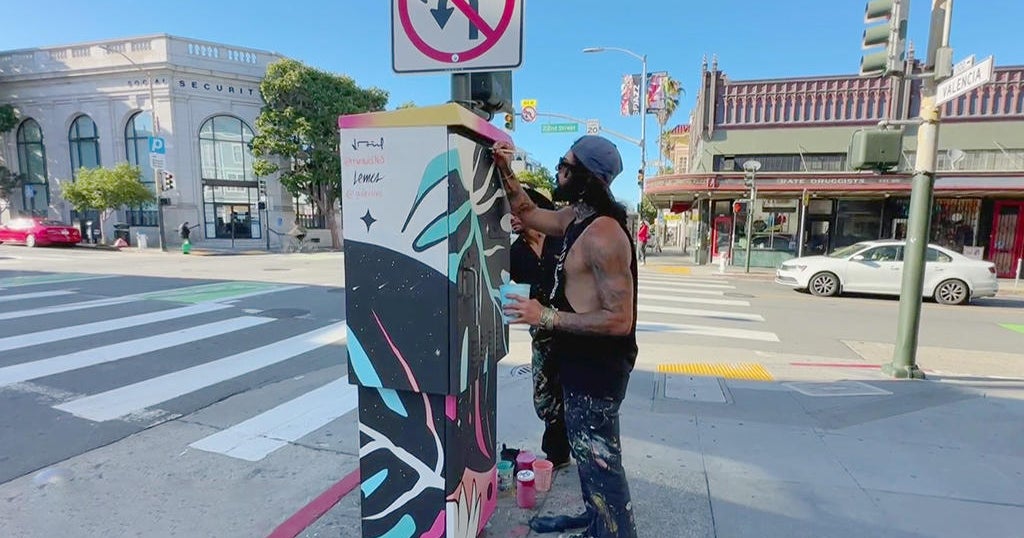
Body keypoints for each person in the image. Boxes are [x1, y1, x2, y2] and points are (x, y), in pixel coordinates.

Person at [494, 135, 639, 538]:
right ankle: (593, 518)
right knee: (587, 456)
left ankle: (610, 530)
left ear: (587, 176)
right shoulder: (575, 217)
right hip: (577, 364)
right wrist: (505, 168)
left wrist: (546, 316)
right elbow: (526, 210)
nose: (559, 169)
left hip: (598, 371)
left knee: (602, 464)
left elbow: (618, 320)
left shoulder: (604, 234)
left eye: (566, 164)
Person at [509, 188, 570, 470]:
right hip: (542, 334)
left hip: (572, 329)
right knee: (544, 397)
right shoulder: (516, 252)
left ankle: (560, 453)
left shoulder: (562, 240)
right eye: (510, 213)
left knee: (572, 390)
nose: (513, 218)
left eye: (519, 211)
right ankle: (557, 448)